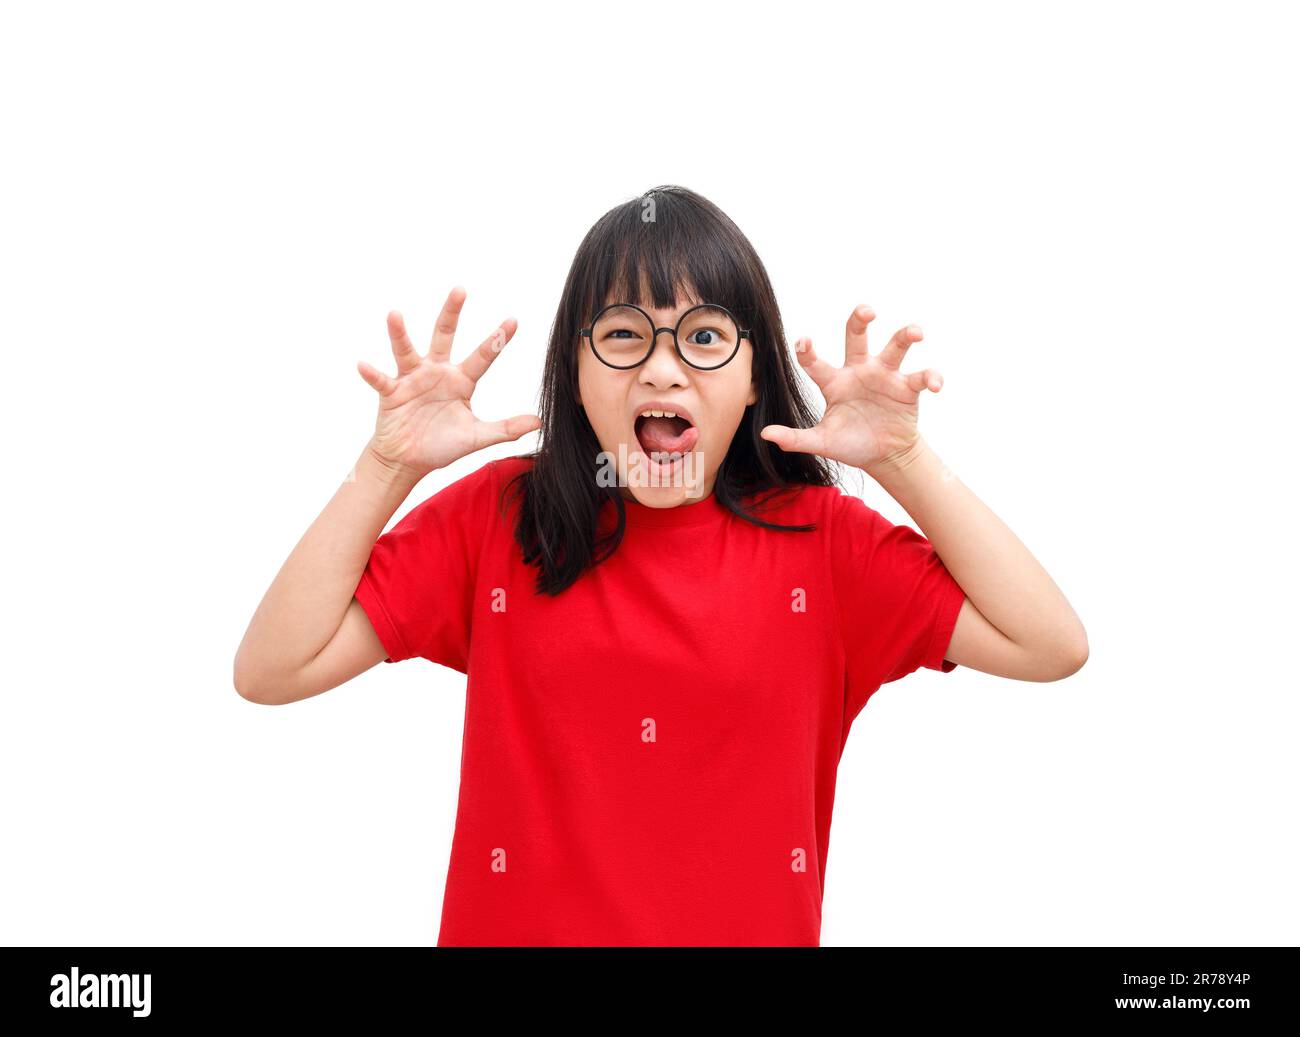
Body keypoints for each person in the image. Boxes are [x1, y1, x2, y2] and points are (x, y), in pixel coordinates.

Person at [233, 185, 1088, 946]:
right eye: (622, 336)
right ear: (574, 368)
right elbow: (273, 667)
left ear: (756, 377)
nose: (662, 367)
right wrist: (388, 468)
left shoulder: (826, 549)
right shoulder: (501, 521)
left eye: (706, 336)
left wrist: (902, 459)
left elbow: (1050, 643)